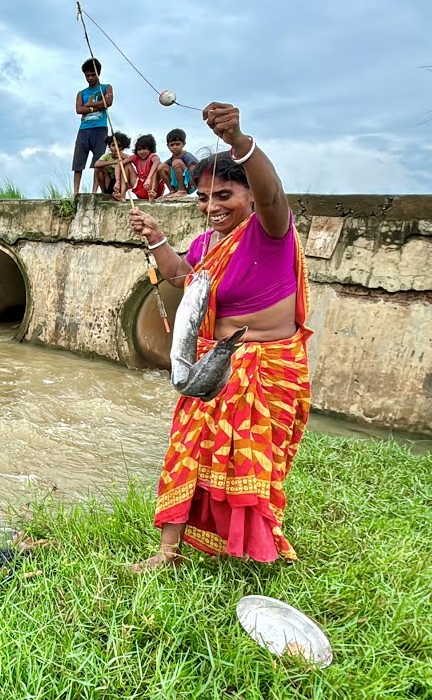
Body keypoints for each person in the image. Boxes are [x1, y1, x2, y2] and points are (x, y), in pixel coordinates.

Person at [128, 102, 310, 569]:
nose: (212, 207)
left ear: (249, 195)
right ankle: (168, 552)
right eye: (204, 198)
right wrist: (155, 237)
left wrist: (240, 143)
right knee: (186, 449)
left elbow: (273, 196)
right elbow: (181, 277)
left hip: (265, 367)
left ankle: (256, 550)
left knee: (252, 462)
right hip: (211, 366)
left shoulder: (271, 230)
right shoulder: (209, 243)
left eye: (224, 195)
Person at [71, 58, 112, 196]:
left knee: (98, 162)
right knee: (78, 162)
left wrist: (89, 105)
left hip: (100, 128)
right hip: (84, 129)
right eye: (87, 75)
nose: (90, 78)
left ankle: (94, 192)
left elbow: (108, 102)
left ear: (98, 73)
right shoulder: (81, 93)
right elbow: (79, 109)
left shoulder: (106, 87)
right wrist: (97, 106)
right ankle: (75, 192)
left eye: (93, 74)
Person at [157, 128, 198, 198]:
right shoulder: (171, 159)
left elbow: (195, 171)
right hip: (178, 184)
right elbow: (160, 172)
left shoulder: (187, 156)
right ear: (168, 146)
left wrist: (196, 185)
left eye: (177, 144)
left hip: (191, 183)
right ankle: (172, 191)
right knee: (161, 166)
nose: (175, 147)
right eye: (172, 145)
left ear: (184, 144)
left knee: (177, 162)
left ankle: (182, 191)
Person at [92, 132, 134, 200]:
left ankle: (122, 194)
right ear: (109, 146)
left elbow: (131, 160)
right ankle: (104, 192)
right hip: (108, 182)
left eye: (119, 146)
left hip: (120, 182)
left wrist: (122, 156)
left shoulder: (124, 156)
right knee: (98, 169)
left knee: (126, 166)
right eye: (113, 145)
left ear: (123, 147)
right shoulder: (107, 156)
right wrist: (114, 162)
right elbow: (96, 164)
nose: (115, 148)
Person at [132, 134, 166, 200]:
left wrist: (148, 178)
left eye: (144, 149)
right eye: (139, 149)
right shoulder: (136, 158)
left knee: (158, 167)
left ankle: (152, 193)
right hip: (142, 189)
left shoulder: (152, 156)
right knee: (126, 166)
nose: (142, 152)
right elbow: (121, 162)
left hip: (154, 189)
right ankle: (121, 194)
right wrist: (118, 182)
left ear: (150, 149)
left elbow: (157, 161)